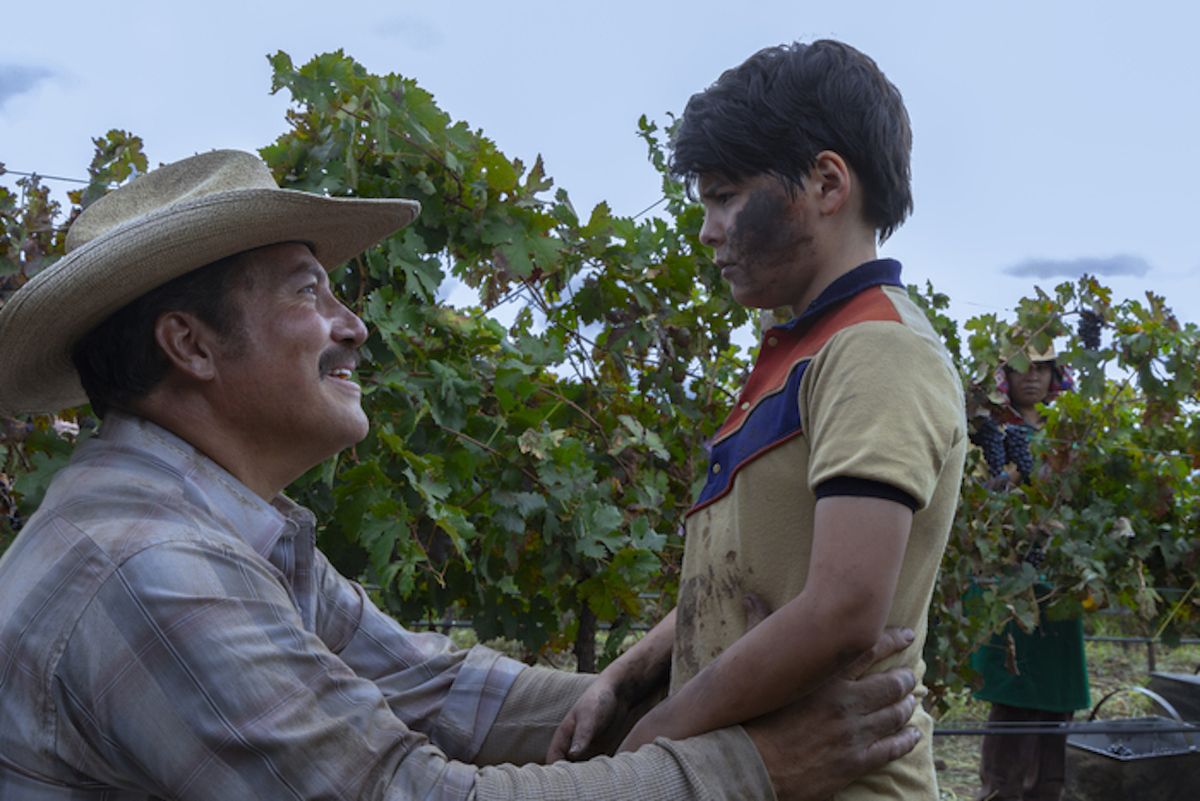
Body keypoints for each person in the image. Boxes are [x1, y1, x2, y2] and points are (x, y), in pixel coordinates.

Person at [0, 148, 922, 799]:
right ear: (190, 345)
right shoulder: (151, 569)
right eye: (307, 289)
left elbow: (430, 689)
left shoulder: (230, 528)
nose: (353, 324)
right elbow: (405, 792)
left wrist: (659, 690)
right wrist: (751, 764)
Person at [549, 40, 966, 801]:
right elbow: (758, 580)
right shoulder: (803, 352)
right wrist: (624, 676)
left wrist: (657, 735)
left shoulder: (877, 350)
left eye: (726, 196)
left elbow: (841, 607)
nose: (708, 230)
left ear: (827, 182)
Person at [969, 344, 1089, 801]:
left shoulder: (1069, 432)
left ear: (1055, 375)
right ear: (1006, 377)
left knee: (1057, 697)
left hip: (1058, 583)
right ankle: (998, 793)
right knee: (1013, 695)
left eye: (1043, 369)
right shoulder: (991, 432)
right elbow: (982, 502)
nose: (1033, 378)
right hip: (1010, 582)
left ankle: (1047, 793)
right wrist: (1011, 491)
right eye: (1023, 369)